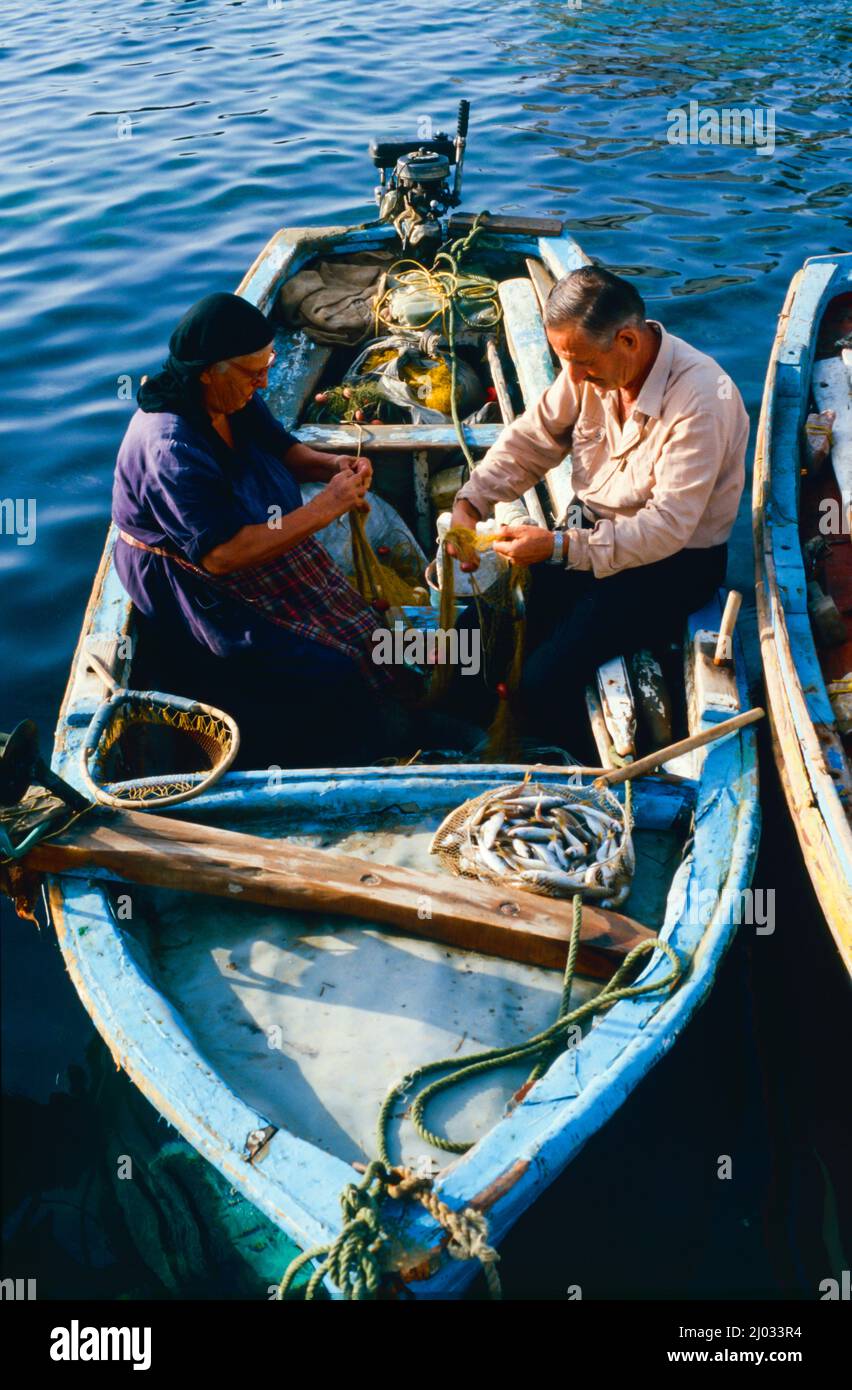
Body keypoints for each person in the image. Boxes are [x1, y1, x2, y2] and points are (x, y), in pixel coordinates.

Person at [112, 291, 441, 767]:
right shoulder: (171, 447)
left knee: (364, 628)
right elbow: (219, 556)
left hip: (253, 537)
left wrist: (333, 467)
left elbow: (283, 450)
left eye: (268, 365)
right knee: (325, 663)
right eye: (253, 372)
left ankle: (380, 714)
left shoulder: (231, 397)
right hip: (194, 578)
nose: (264, 382)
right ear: (208, 369)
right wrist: (327, 507)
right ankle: (326, 750)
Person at [447, 265, 750, 747]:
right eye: (564, 360)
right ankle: (456, 727)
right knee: (472, 636)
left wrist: (558, 548)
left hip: (670, 565)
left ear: (628, 341)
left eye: (582, 361)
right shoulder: (587, 369)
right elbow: (535, 437)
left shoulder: (701, 401)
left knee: (545, 678)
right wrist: (472, 501)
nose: (574, 375)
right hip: (584, 534)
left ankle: (551, 759)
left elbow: (666, 527)